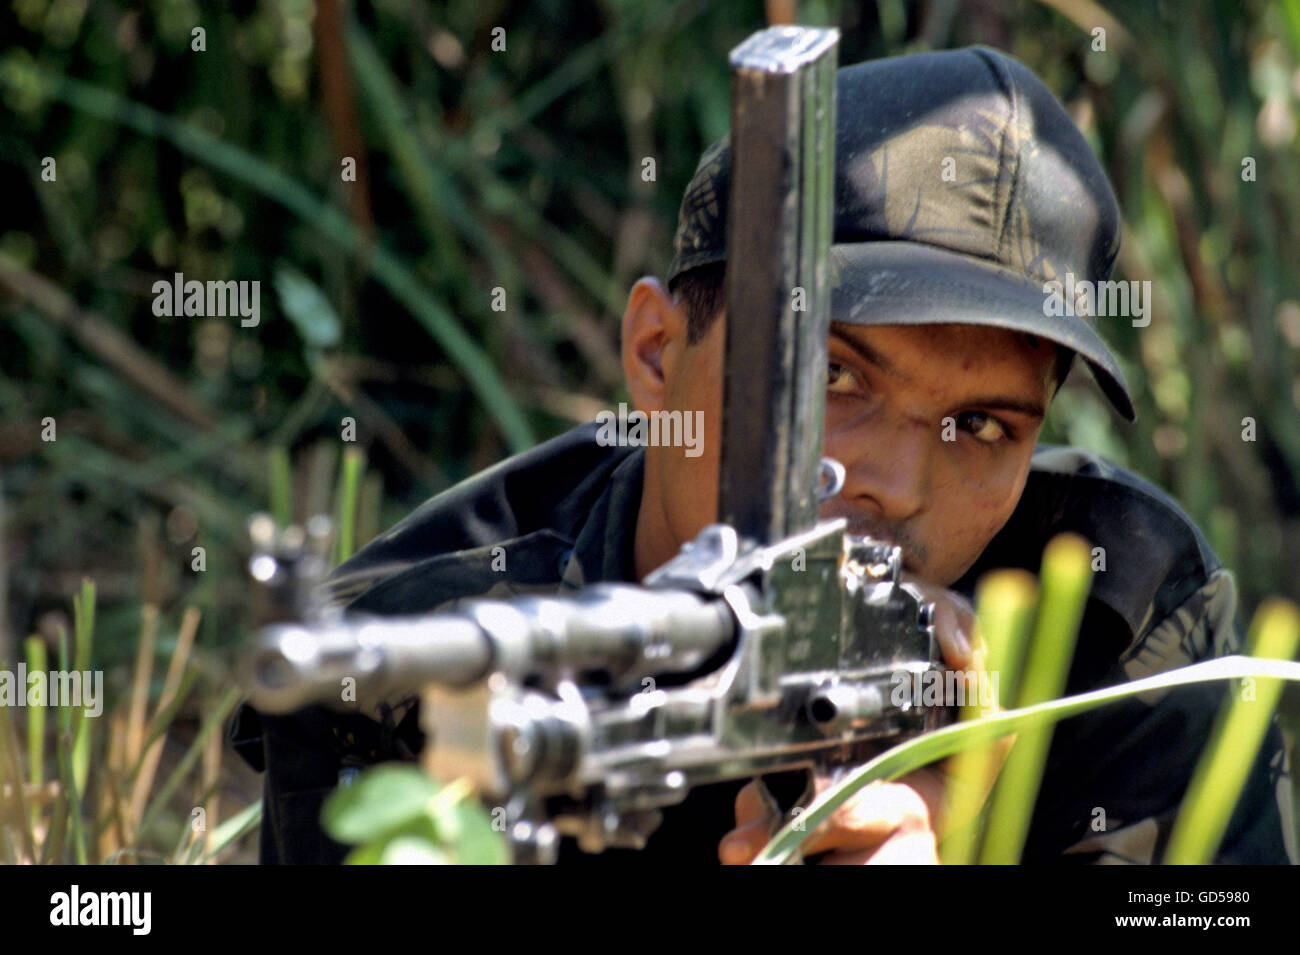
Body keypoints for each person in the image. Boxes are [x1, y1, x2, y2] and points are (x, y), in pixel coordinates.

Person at [229, 46, 1296, 865]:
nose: (895, 482)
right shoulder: (417, 658)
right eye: (832, 378)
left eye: (979, 426)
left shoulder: (1115, 611)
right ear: (656, 354)